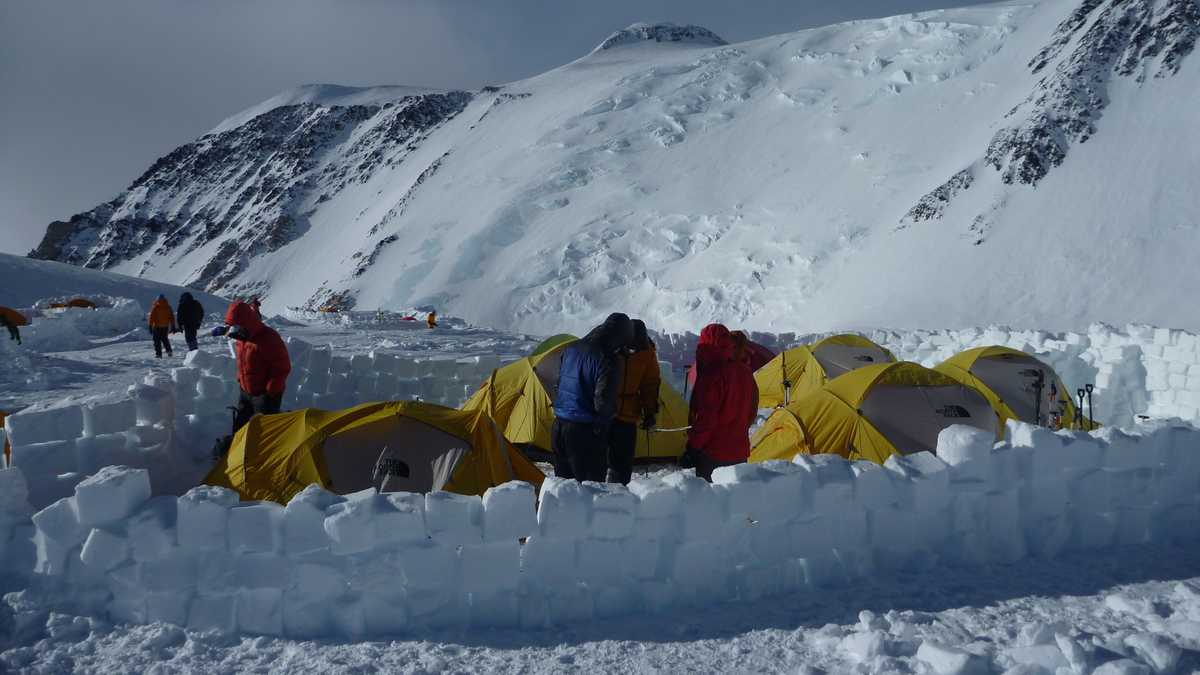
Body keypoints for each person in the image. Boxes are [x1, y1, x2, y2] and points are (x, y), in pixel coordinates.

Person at [551, 313, 633, 482]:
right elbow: (603, 402)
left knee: (563, 489)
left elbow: (559, 383)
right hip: (584, 432)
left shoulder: (572, 348)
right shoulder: (607, 358)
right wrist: (608, 421)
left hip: (559, 426)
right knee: (591, 490)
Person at [686, 323, 759, 482]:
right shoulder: (746, 372)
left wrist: (693, 447)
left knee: (709, 496)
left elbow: (707, 417)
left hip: (713, 452)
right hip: (739, 450)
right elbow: (751, 410)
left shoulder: (713, 374)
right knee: (734, 495)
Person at [223, 300, 291, 432]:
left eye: (237, 326)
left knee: (264, 430)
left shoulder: (268, 337)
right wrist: (240, 378)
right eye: (233, 326)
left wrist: (270, 391)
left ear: (246, 322)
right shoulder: (242, 337)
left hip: (265, 394)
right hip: (246, 392)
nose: (235, 330)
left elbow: (282, 366)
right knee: (241, 427)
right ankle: (238, 444)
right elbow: (243, 361)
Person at [609, 319, 660, 484]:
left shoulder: (647, 352)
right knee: (597, 462)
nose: (633, 351)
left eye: (636, 348)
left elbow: (650, 384)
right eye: (630, 347)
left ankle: (619, 494)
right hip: (605, 412)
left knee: (622, 465)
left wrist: (650, 412)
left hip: (628, 416)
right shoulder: (611, 348)